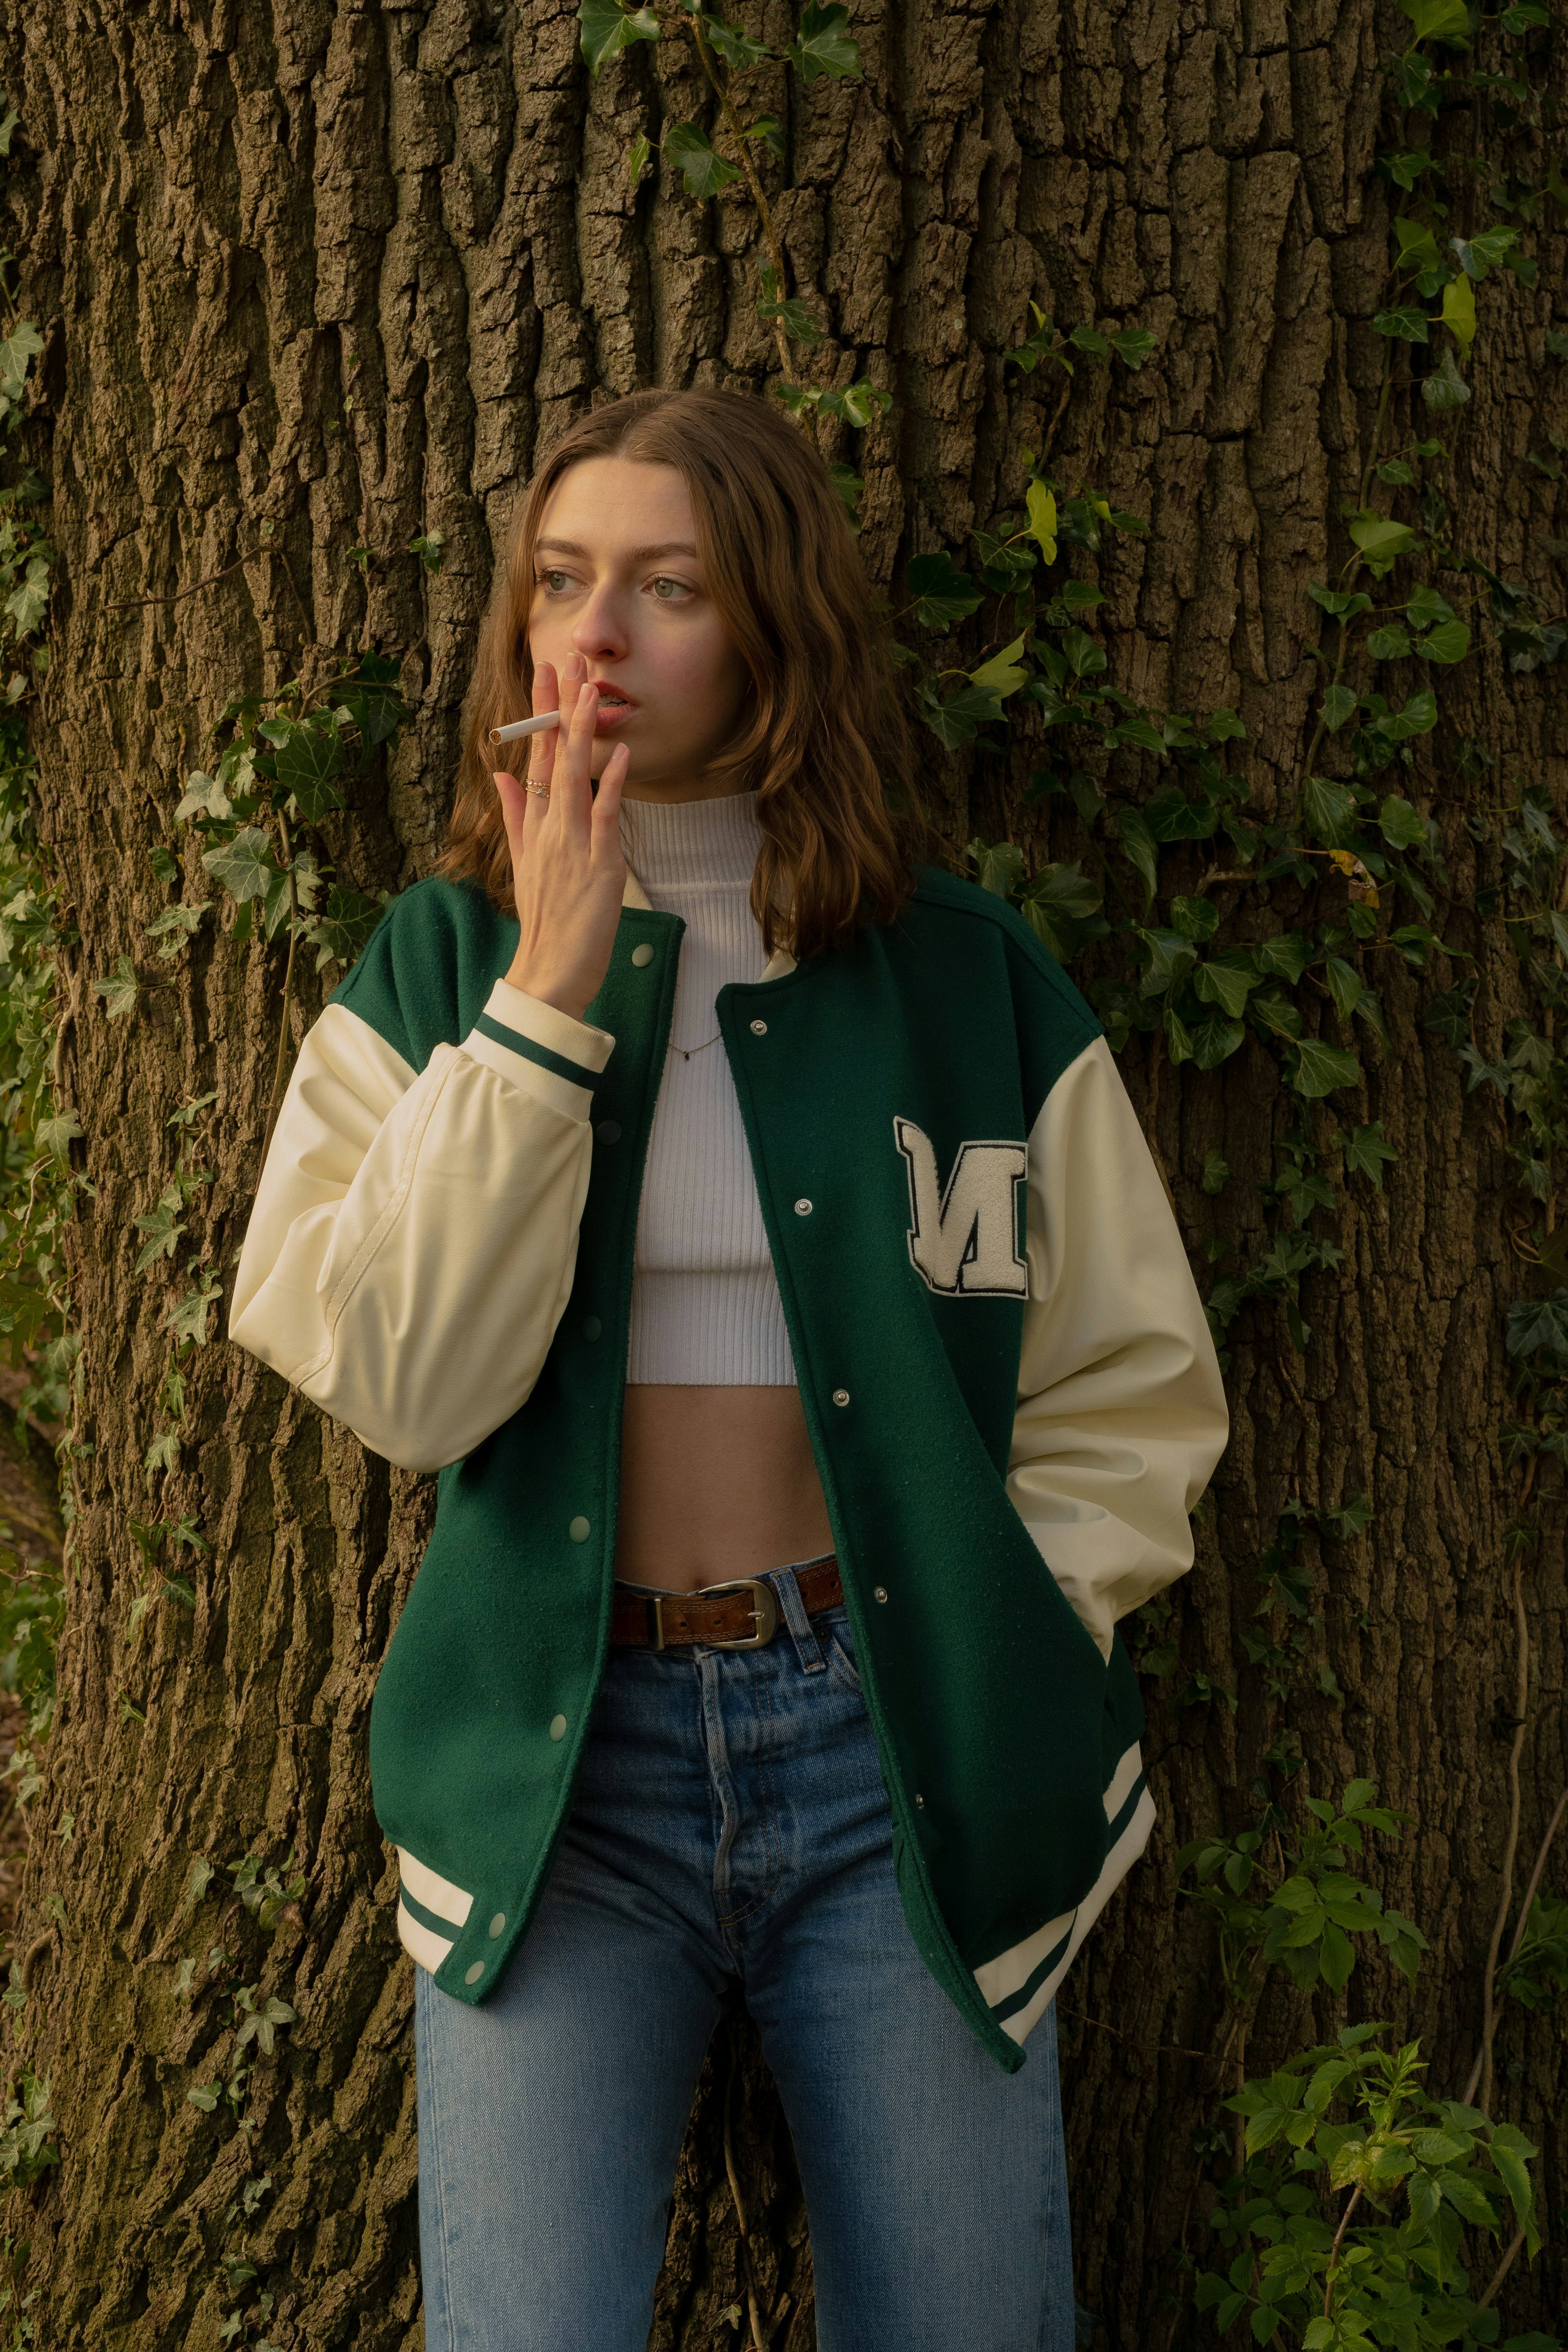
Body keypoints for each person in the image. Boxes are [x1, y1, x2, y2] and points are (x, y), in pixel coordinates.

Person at [230, 386, 1229, 2352]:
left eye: (666, 588)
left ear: (774, 626)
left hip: (899, 1749)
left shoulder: (961, 976)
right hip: (554, 1775)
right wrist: (544, 995)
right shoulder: (436, 970)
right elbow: (402, 1388)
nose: (593, 634)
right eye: (559, 580)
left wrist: (1010, 1622)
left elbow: (1130, 1377)